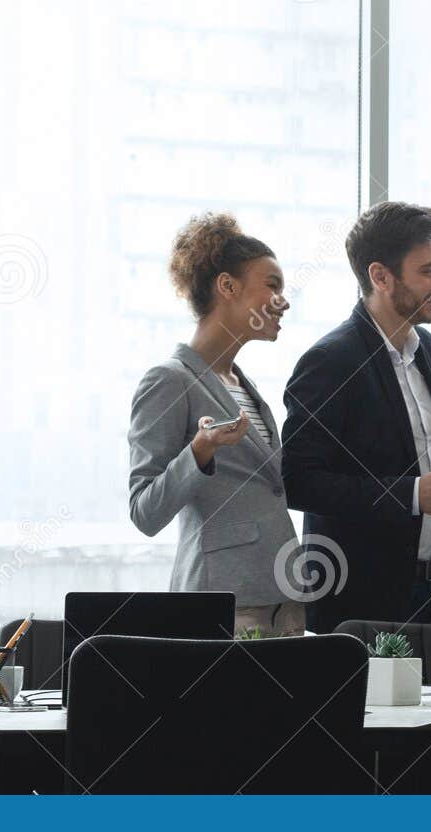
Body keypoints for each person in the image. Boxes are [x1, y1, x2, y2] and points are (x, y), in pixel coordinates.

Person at [282, 201, 431, 633]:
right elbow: (298, 481)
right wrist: (412, 495)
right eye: (428, 271)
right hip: (360, 607)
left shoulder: (429, 351)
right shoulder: (330, 360)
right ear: (380, 276)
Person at [127, 212, 304, 636]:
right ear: (228, 286)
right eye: (273, 285)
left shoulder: (243, 385)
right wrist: (199, 450)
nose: (284, 300)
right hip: (223, 600)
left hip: (283, 598)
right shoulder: (169, 380)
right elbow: (144, 511)